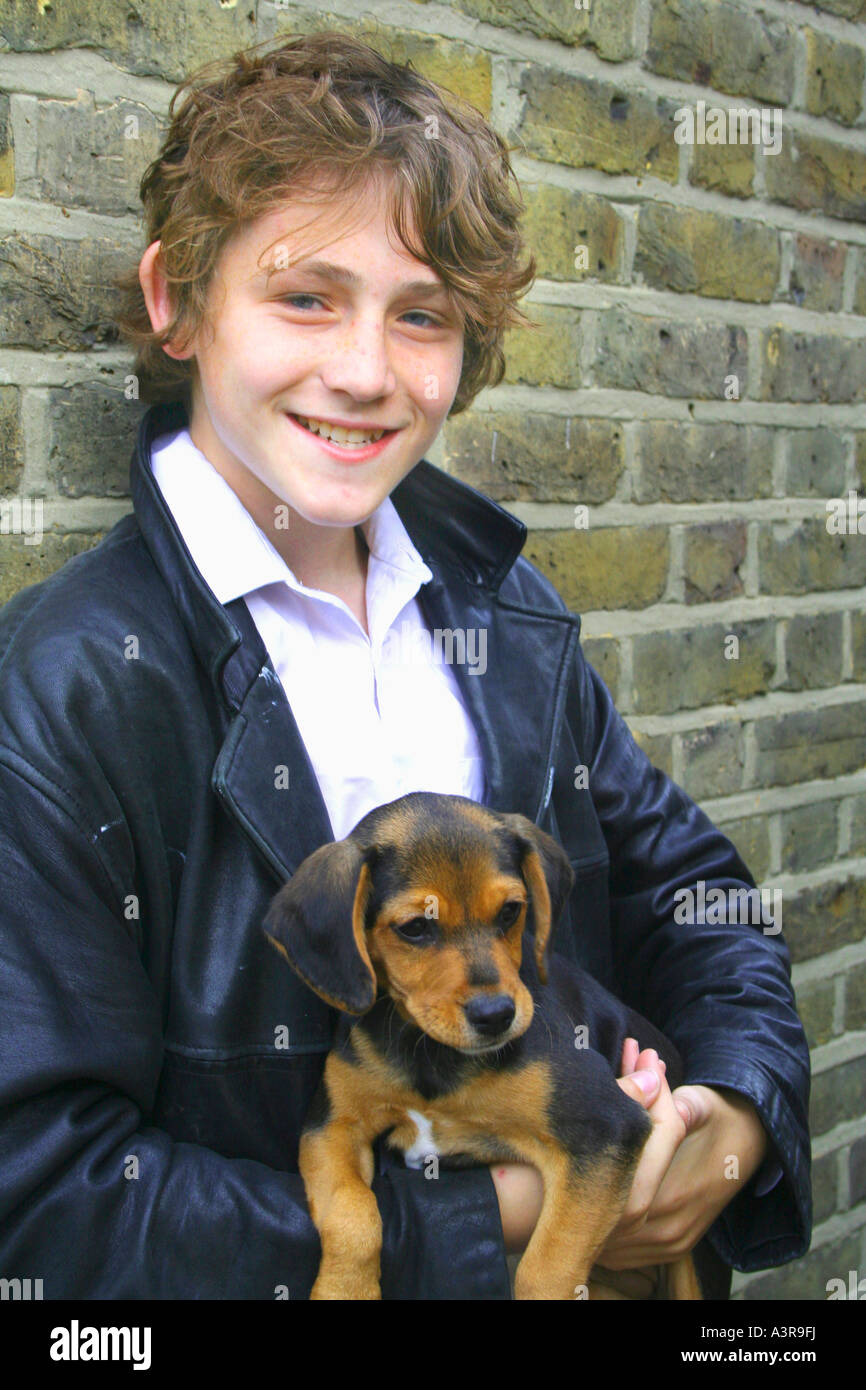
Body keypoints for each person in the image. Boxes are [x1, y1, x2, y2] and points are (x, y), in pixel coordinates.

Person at [0, 30, 810, 1300]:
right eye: (305, 295)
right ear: (176, 302)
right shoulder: (64, 686)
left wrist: (737, 1113)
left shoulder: (504, 609)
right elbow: (43, 1205)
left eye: (421, 314)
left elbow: (698, 900)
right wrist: (496, 1223)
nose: (367, 371)